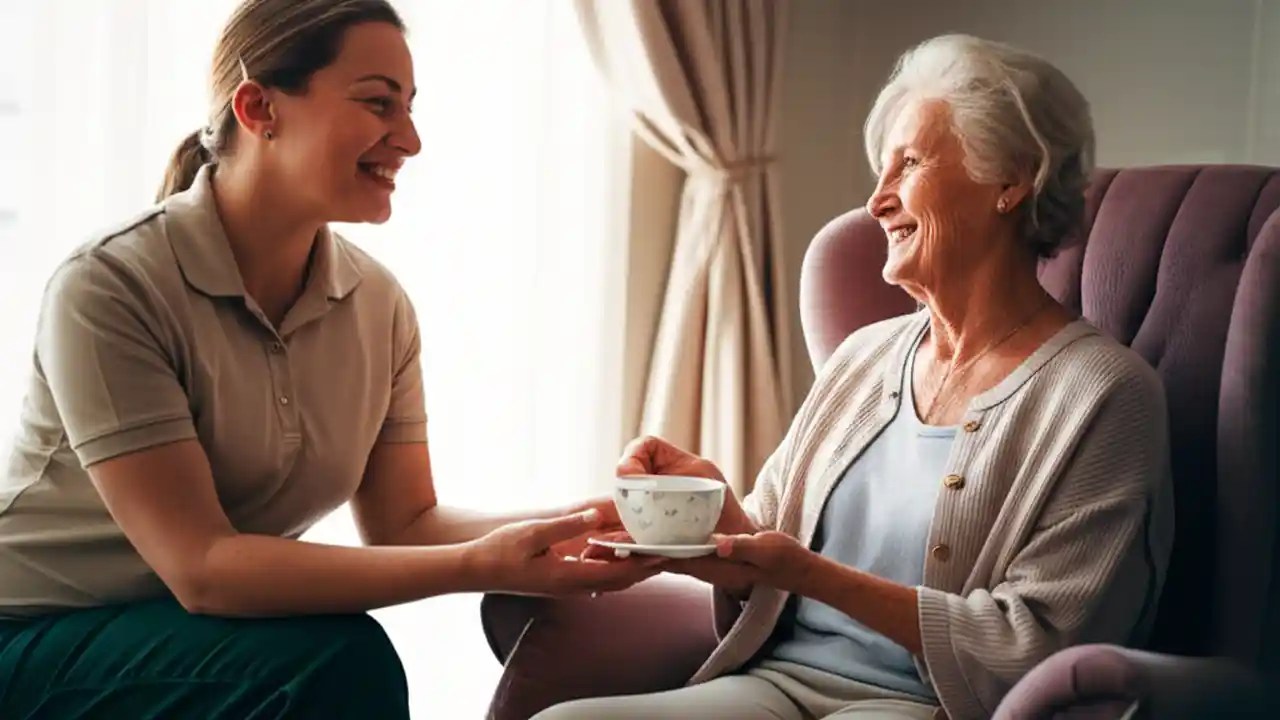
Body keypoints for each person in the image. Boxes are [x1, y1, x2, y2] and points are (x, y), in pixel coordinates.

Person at [0, 2, 655, 717]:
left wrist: (582, 525)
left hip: (182, 633)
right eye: (379, 103)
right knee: (333, 660)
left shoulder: (378, 305)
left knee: (328, 654)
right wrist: (475, 566)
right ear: (258, 108)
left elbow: (406, 524)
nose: (409, 139)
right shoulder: (111, 285)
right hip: (30, 631)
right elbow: (204, 569)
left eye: (409, 108)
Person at [541, 34, 1175, 720]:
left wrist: (811, 574)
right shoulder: (863, 358)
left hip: (924, 707)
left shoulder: (1103, 395)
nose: (877, 201)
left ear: (1012, 180)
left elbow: (1036, 647)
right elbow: (767, 560)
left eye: (908, 164)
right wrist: (712, 513)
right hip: (777, 685)